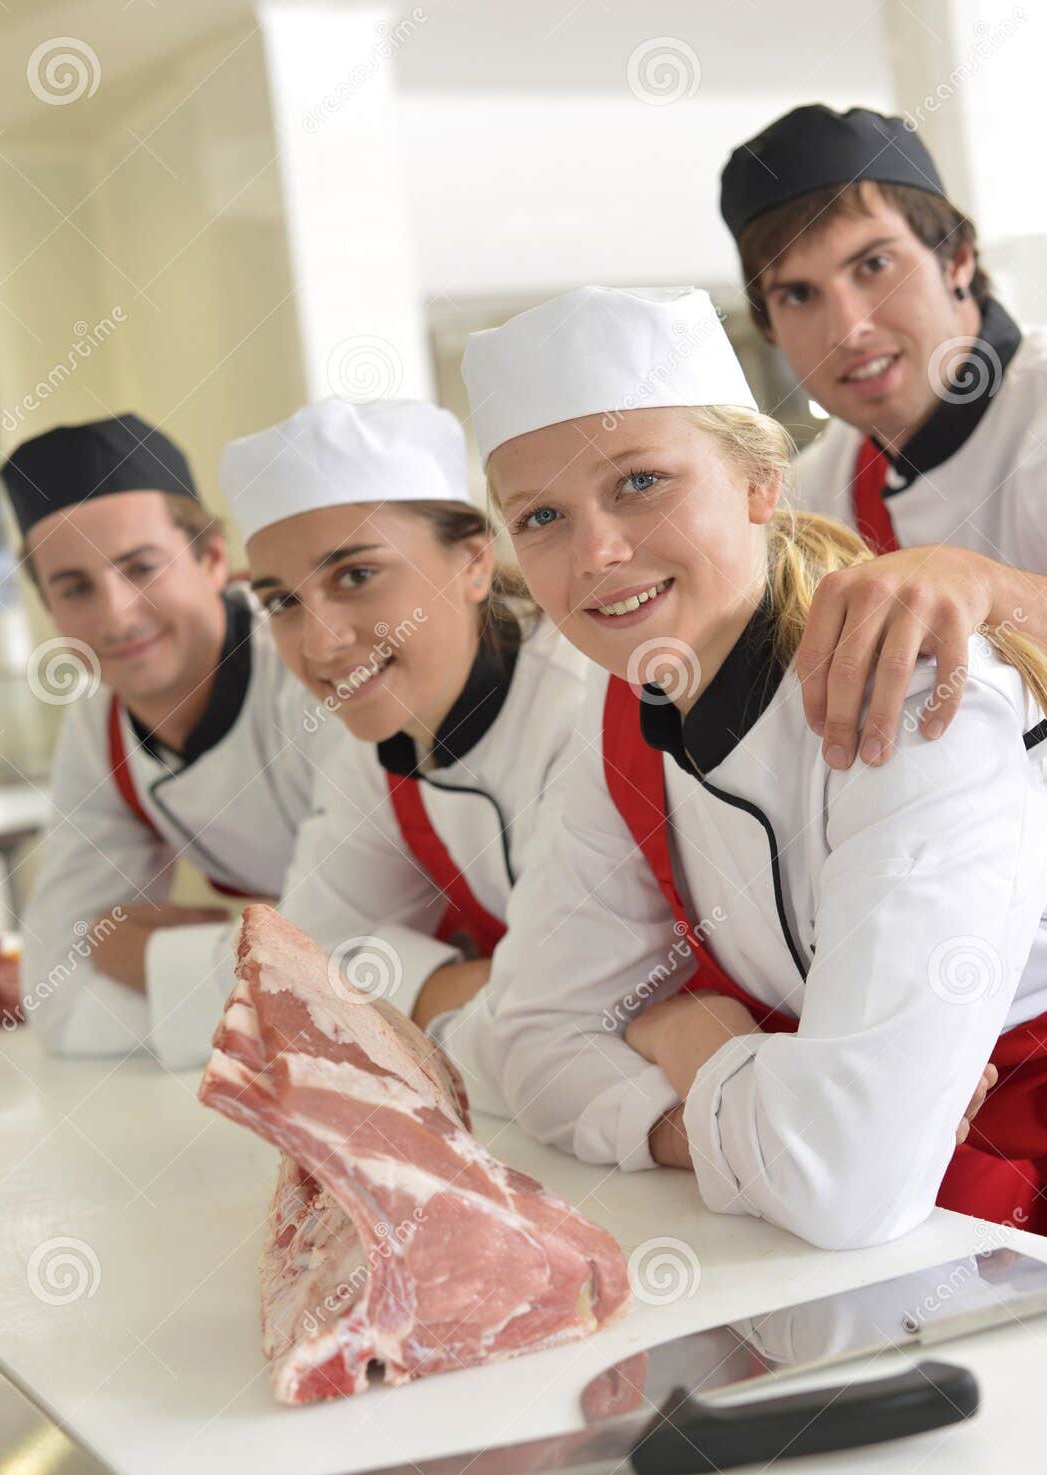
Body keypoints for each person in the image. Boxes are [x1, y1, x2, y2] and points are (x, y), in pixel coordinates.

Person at [463, 284, 1047, 1245]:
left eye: (639, 483)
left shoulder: (907, 696)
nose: (598, 552)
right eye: (541, 517)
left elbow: (847, 1179)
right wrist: (708, 1050)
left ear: (758, 483)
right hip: (895, 1246)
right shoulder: (625, 716)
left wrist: (688, 1044)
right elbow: (523, 1042)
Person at [219, 397, 587, 1116]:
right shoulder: (378, 746)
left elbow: (584, 1015)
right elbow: (296, 987)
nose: (320, 643)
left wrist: (424, 994)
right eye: (283, 602)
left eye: (355, 576)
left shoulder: (580, 707)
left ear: (474, 561)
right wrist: (490, 992)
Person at [720, 104, 1047, 771]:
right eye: (798, 295)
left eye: (872, 266)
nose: (846, 327)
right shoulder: (810, 490)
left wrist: (985, 585)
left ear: (954, 260)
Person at [5, 414, 321, 1067]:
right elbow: (58, 996)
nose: (116, 615)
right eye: (74, 588)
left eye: (141, 567)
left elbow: (362, 963)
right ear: (49, 608)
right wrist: (273, 963)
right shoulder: (99, 726)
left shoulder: (308, 669)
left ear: (210, 559)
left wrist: (147, 954)